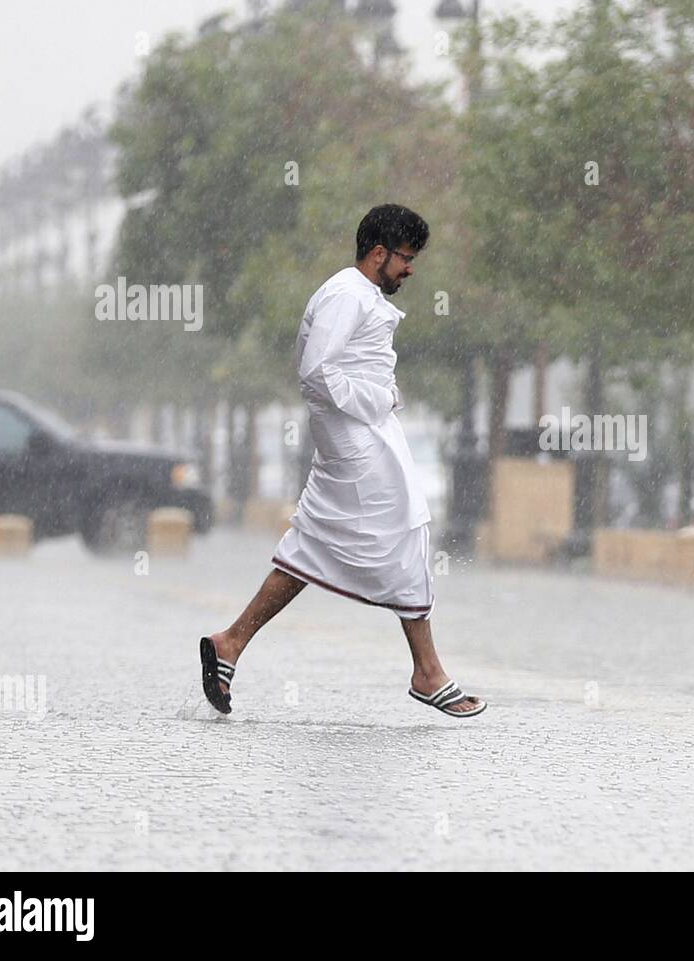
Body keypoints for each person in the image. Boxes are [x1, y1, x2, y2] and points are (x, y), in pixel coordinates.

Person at [199, 204, 485, 718]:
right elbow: (314, 370)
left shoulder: (353, 293)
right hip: (358, 440)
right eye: (406, 258)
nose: (411, 269)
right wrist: (378, 399)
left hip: (360, 435)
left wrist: (376, 399)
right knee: (403, 530)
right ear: (379, 253)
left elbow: (321, 363)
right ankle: (427, 670)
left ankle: (232, 642)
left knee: (320, 541)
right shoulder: (346, 295)